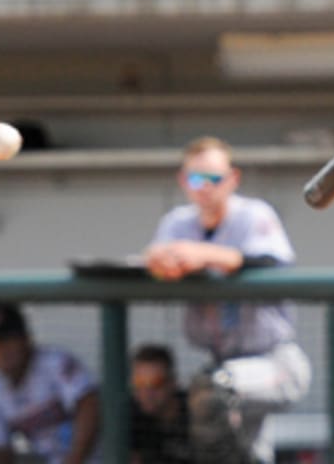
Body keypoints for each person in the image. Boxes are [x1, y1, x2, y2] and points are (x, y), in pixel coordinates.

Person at [144, 136, 311, 464]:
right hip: (223, 361)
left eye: (214, 179)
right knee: (249, 453)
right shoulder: (178, 222)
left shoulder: (253, 215)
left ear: (233, 179)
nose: (205, 187)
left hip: (275, 362)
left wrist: (205, 255)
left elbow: (272, 262)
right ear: (183, 181)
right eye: (196, 179)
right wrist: (162, 261)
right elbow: (154, 258)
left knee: (212, 390)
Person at [0, 303, 100, 464]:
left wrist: (74, 460)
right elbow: (2, 450)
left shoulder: (55, 363)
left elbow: (89, 404)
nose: (2, 351)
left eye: (8, 341)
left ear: (26, 339)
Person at [129, 344, 192, 464]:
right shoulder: (131, 416)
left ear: (173, 383)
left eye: (155, 383)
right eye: (139, 382)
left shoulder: (195, 414)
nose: (147, 392)